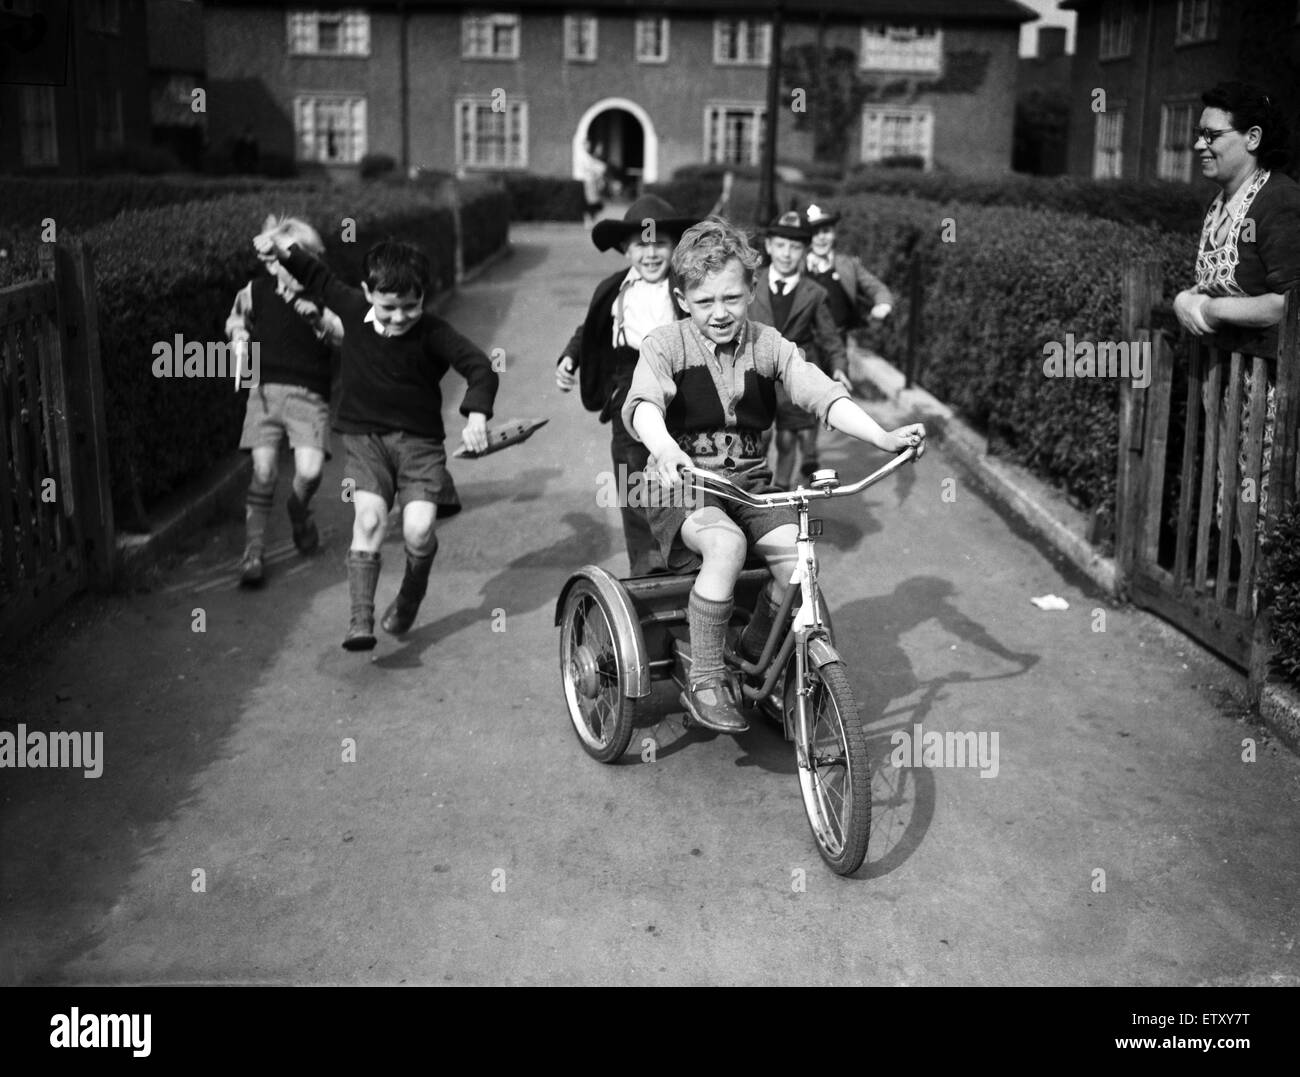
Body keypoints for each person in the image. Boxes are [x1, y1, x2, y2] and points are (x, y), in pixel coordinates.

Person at [622, 217, 926, 733]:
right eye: (704, 302)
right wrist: (666, 447)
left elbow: (819, 391)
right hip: (682, 486)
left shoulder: (768, 345)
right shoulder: (665, 345)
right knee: (725, 548)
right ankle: (708, 676)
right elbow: (644, 404)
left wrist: (882, 437)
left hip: (750, 488)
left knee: (797, 562)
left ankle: (754, 654)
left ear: (751, 291)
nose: (720, 313)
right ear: (681, 299)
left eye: (732, 299)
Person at [255, 231, 498, 650]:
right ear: (368, 292)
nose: (401, 317)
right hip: (365, 440)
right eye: (389, 307)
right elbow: (315, 273)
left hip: (419, 447)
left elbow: (480, 366)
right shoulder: (351, 308)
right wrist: (281, 249)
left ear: (425, 295)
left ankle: (410, 594)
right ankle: (360, 621)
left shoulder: (434, 332)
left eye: (411, 305)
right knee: (368, 520)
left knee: (419, 530)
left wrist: (476, 413)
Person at [1172, 81, 1300, 528]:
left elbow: (1290, 303)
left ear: (1253, 138)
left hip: (1276, 397)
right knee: (1238, 513)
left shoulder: (1278, 199)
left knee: (1269, 515)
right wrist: (1184, 298)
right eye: (1198, 133)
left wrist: (1212, 311)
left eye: (1211, 135)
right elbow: (1209, 285)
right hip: (1230, 392)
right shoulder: (1220, 204)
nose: (1197, 145)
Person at [555, 195, 699, 575]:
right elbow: (590, 329)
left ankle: (688, 559)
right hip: (627, 390)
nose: (650, 255)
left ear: (675, 247)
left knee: (684, 474)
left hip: (679, 390)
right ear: (625, 248)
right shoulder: (615, 290)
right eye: (640, 244)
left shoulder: (686, 289)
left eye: (660, 244)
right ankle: (647, 567)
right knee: (634, 481)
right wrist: (571, 356)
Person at [226, 214, 343, 586]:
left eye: (293, 258)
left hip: (309, 397)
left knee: (309, 472)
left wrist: (321, 320)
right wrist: (240, 339)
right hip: (263, 393)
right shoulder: (255, 291)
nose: (283, 266)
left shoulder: (322, 296)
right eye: (276, 259)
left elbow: (341, 334)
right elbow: (236, 322)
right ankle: (254, 552)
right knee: (263, 474)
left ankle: (297, 508)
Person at [750, 210, 850, 488]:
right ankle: (756, 485)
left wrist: (840, 366)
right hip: (756, 373)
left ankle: (782, 491)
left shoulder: (815, 292)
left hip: (795, 373)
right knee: (760, 434)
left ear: (805, 251)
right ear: (769, 246)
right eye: (780, 245)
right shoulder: (750, 283)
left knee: (788, 437)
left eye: (795, 247)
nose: (786, 254)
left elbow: (830, 335)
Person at [802, 203, 894, 345]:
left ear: (834, 234)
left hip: (839, 340)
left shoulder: (848, 264)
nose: (821, 238)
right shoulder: (799, 265)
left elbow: (877, 288)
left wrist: (882, 305)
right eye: (815, 233)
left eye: (826, 231)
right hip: (807, 341)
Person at [579, 141, 607, 229]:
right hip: (589, 181)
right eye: (587, 145)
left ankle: (591, 220)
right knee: (590, 203)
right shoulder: (584, 156)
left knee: (594, 203)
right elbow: (591, 168)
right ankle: (588, 221)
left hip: (593, 182)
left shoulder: (589, 157)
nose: (588, 146)